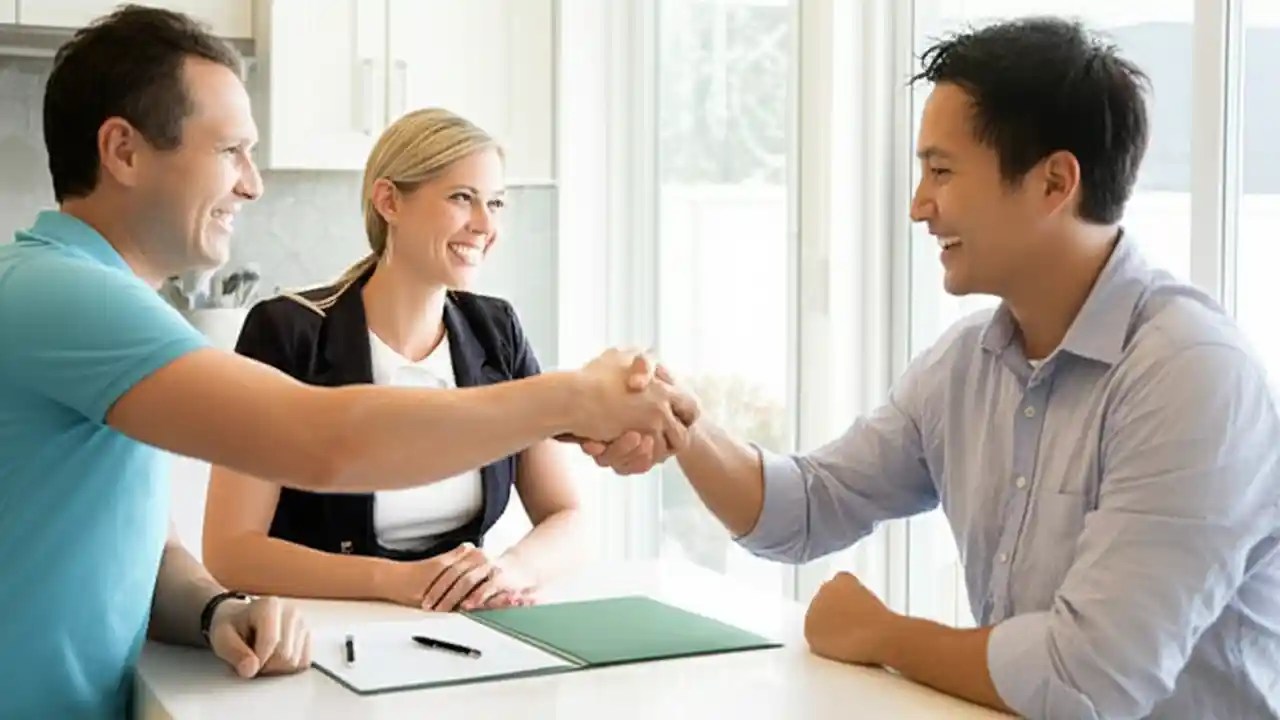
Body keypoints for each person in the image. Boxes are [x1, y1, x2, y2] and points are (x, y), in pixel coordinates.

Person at [0, 6, 695, 719]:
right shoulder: (64, 295)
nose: (252, 184)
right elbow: (322, 440)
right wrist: (574, 398)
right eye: (230, 151)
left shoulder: (90, 296)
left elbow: (143, 548)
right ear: (123, 151)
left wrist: (213, 613)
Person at [586, 17, 1280, 720]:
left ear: (1054, 183)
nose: (920, 206)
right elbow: (805, 511)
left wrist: (882, 635)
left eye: (941, 171)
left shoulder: (1192, 376)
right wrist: (681, 421)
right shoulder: (966, 364)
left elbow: (1088, 679)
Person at [203, 108, 584, 613]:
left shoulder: (497, 330)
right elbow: (232, 551)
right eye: (461, 198)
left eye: (495, 203)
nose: (485, 225)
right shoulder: (287, 332)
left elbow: (568, 515)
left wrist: (505, 572)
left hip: (460, 624)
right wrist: (397, 581)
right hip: (318, 632)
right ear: (388, 201)